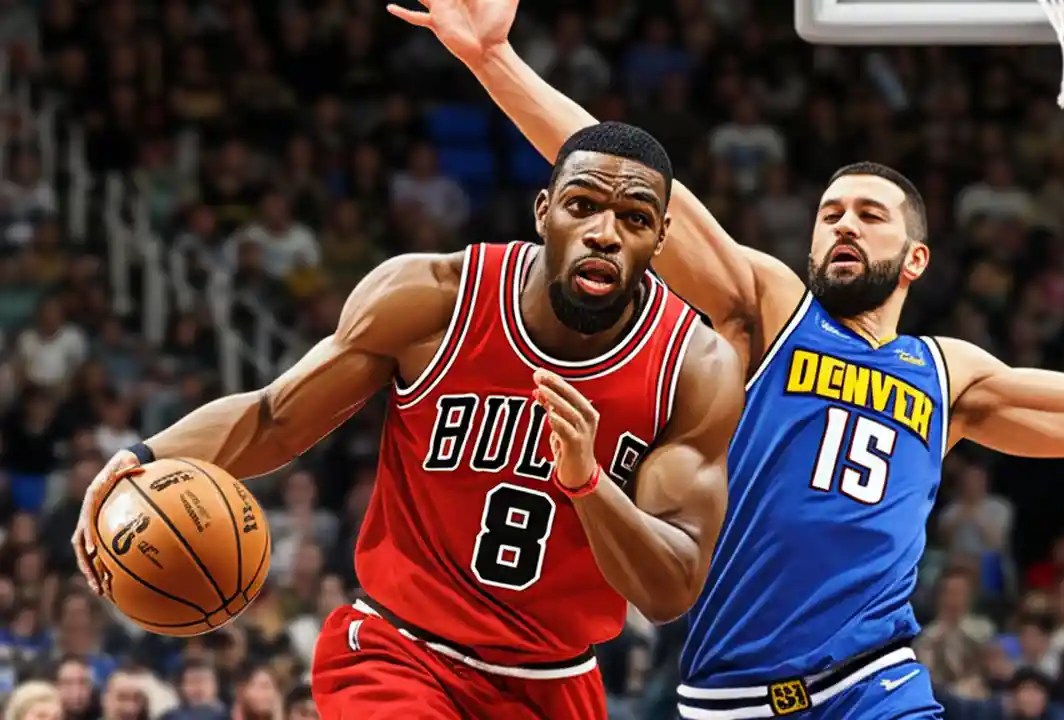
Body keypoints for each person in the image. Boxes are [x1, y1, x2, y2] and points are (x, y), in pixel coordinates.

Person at [392, 0, 1064, 716]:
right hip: (726, 691)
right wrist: (493, 61)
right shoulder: (772, 310)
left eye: (869, 214)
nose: (843, 224)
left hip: (875, 682)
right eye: (830, 212)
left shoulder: (948, 373)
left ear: (916, 258)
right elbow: (644, 191)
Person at [70, 123, 745, 719]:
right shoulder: (434, 300)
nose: (604, 232)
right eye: (583, 206)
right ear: (545, 212)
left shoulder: (693, 368)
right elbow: (274, 417)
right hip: (399, 652)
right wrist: (141, 457)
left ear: (660, 237)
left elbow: (670, 589)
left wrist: (587, 481)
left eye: (633, 218)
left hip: (553, 680)